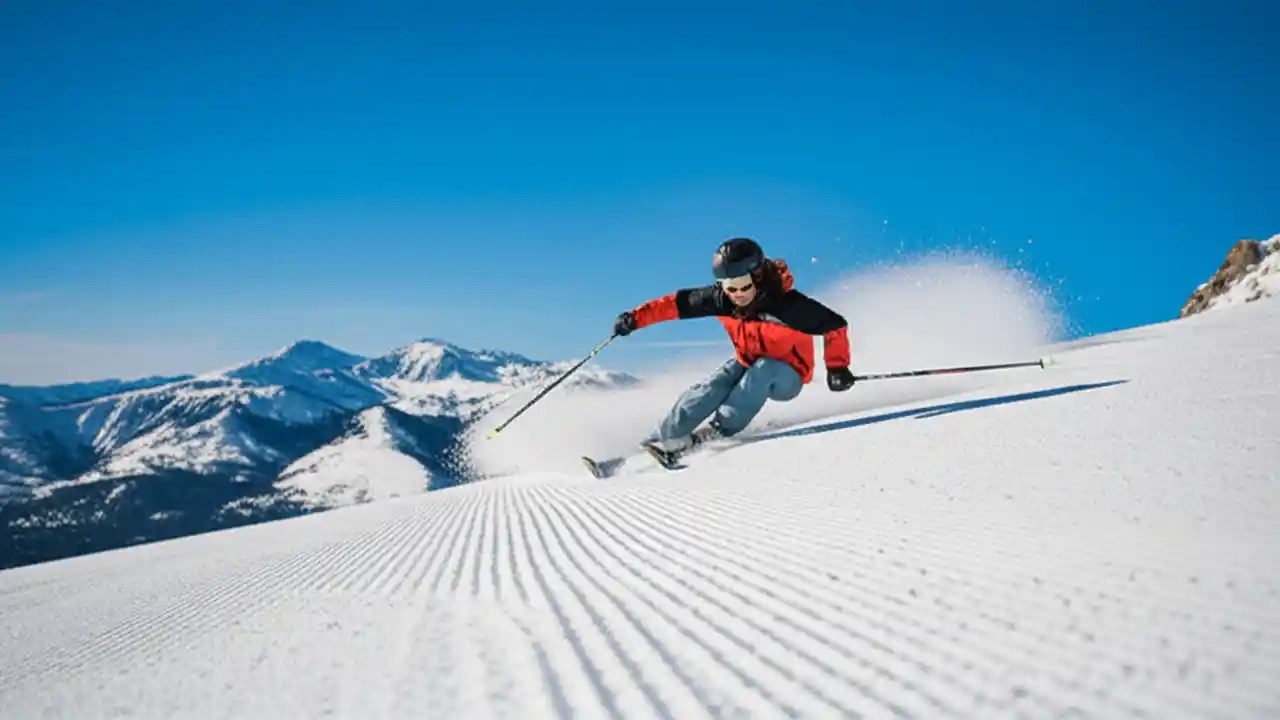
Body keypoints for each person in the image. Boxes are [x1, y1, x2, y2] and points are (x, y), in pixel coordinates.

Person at [613, 237, 855, 464]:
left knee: (762, 370)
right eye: (729, 287)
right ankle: (659, 439)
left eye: (742, 285)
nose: (737, 294)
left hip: (788, 374)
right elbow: (675, 305)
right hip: (748, 360)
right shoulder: (721, 300)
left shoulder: (786, 305)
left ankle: (718, 430)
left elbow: (835, 325)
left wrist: (837, 367)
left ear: (758, 276)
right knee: (713, 385)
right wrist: (634, 319)